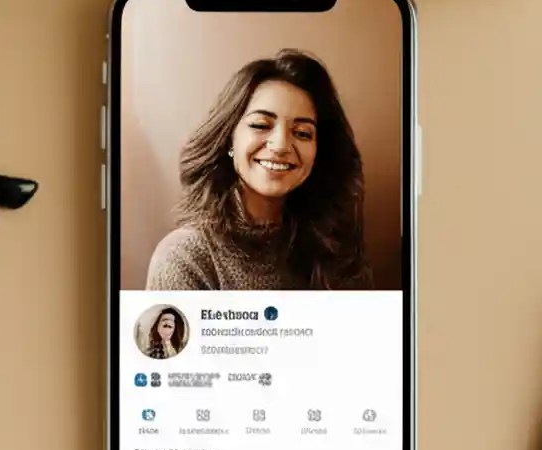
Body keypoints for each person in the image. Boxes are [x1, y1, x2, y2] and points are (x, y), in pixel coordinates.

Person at [146, 49, 372, 291]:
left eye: (302, 133)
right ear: (229, 139)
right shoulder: (185, 258)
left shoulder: (333, 246)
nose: (281, 145)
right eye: (261, 125)